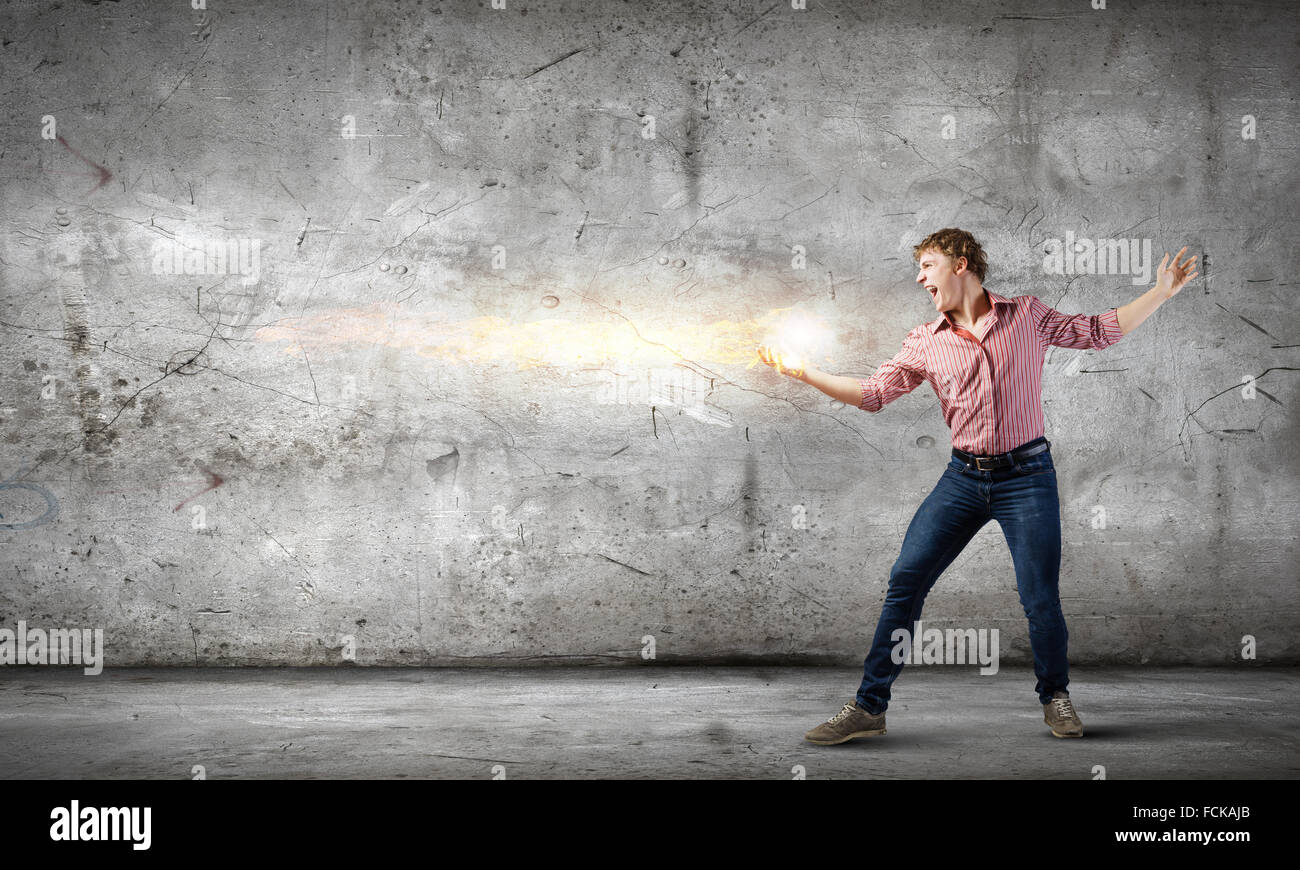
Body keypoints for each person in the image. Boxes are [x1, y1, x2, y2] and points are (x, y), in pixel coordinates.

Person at [757, 228, 1198, 743]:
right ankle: (869, 706)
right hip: (963, 478)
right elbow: (874, 395)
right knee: (906, 581)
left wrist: (1160, 291)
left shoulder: (1027, 316)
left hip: (1027, 477)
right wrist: (805, 373)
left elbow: (1097, 330)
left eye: (927, 265)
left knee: (1039, 597)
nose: (920, 277)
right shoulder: (925, 342)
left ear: (961, 263)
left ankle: (1055, 697)